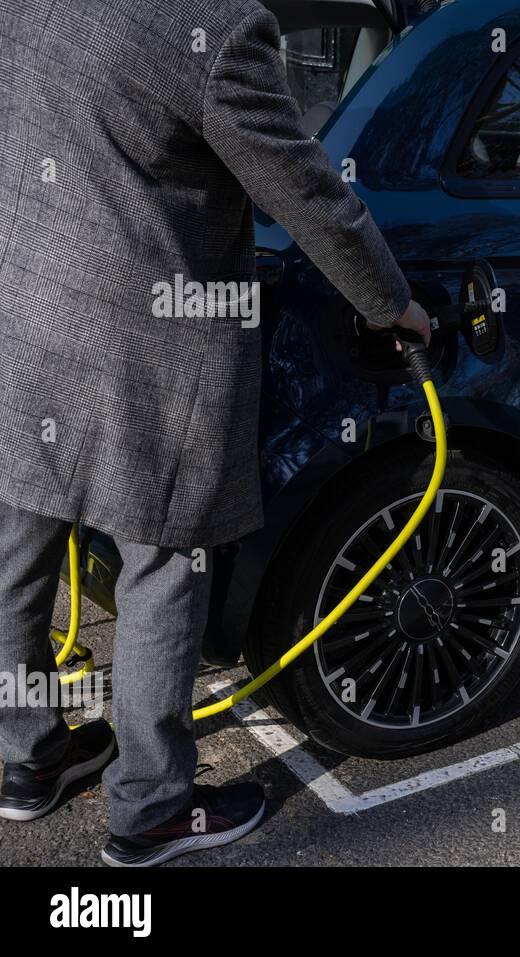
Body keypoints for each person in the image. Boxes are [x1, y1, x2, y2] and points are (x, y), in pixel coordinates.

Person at [0, 0, 430, 866]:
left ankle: (22, 758)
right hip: (145, 349)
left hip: (23, 316)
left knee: (17, 547)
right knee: (165, 562)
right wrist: (392, 304)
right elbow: (304, 189)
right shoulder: (221, 31)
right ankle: (153, 808)